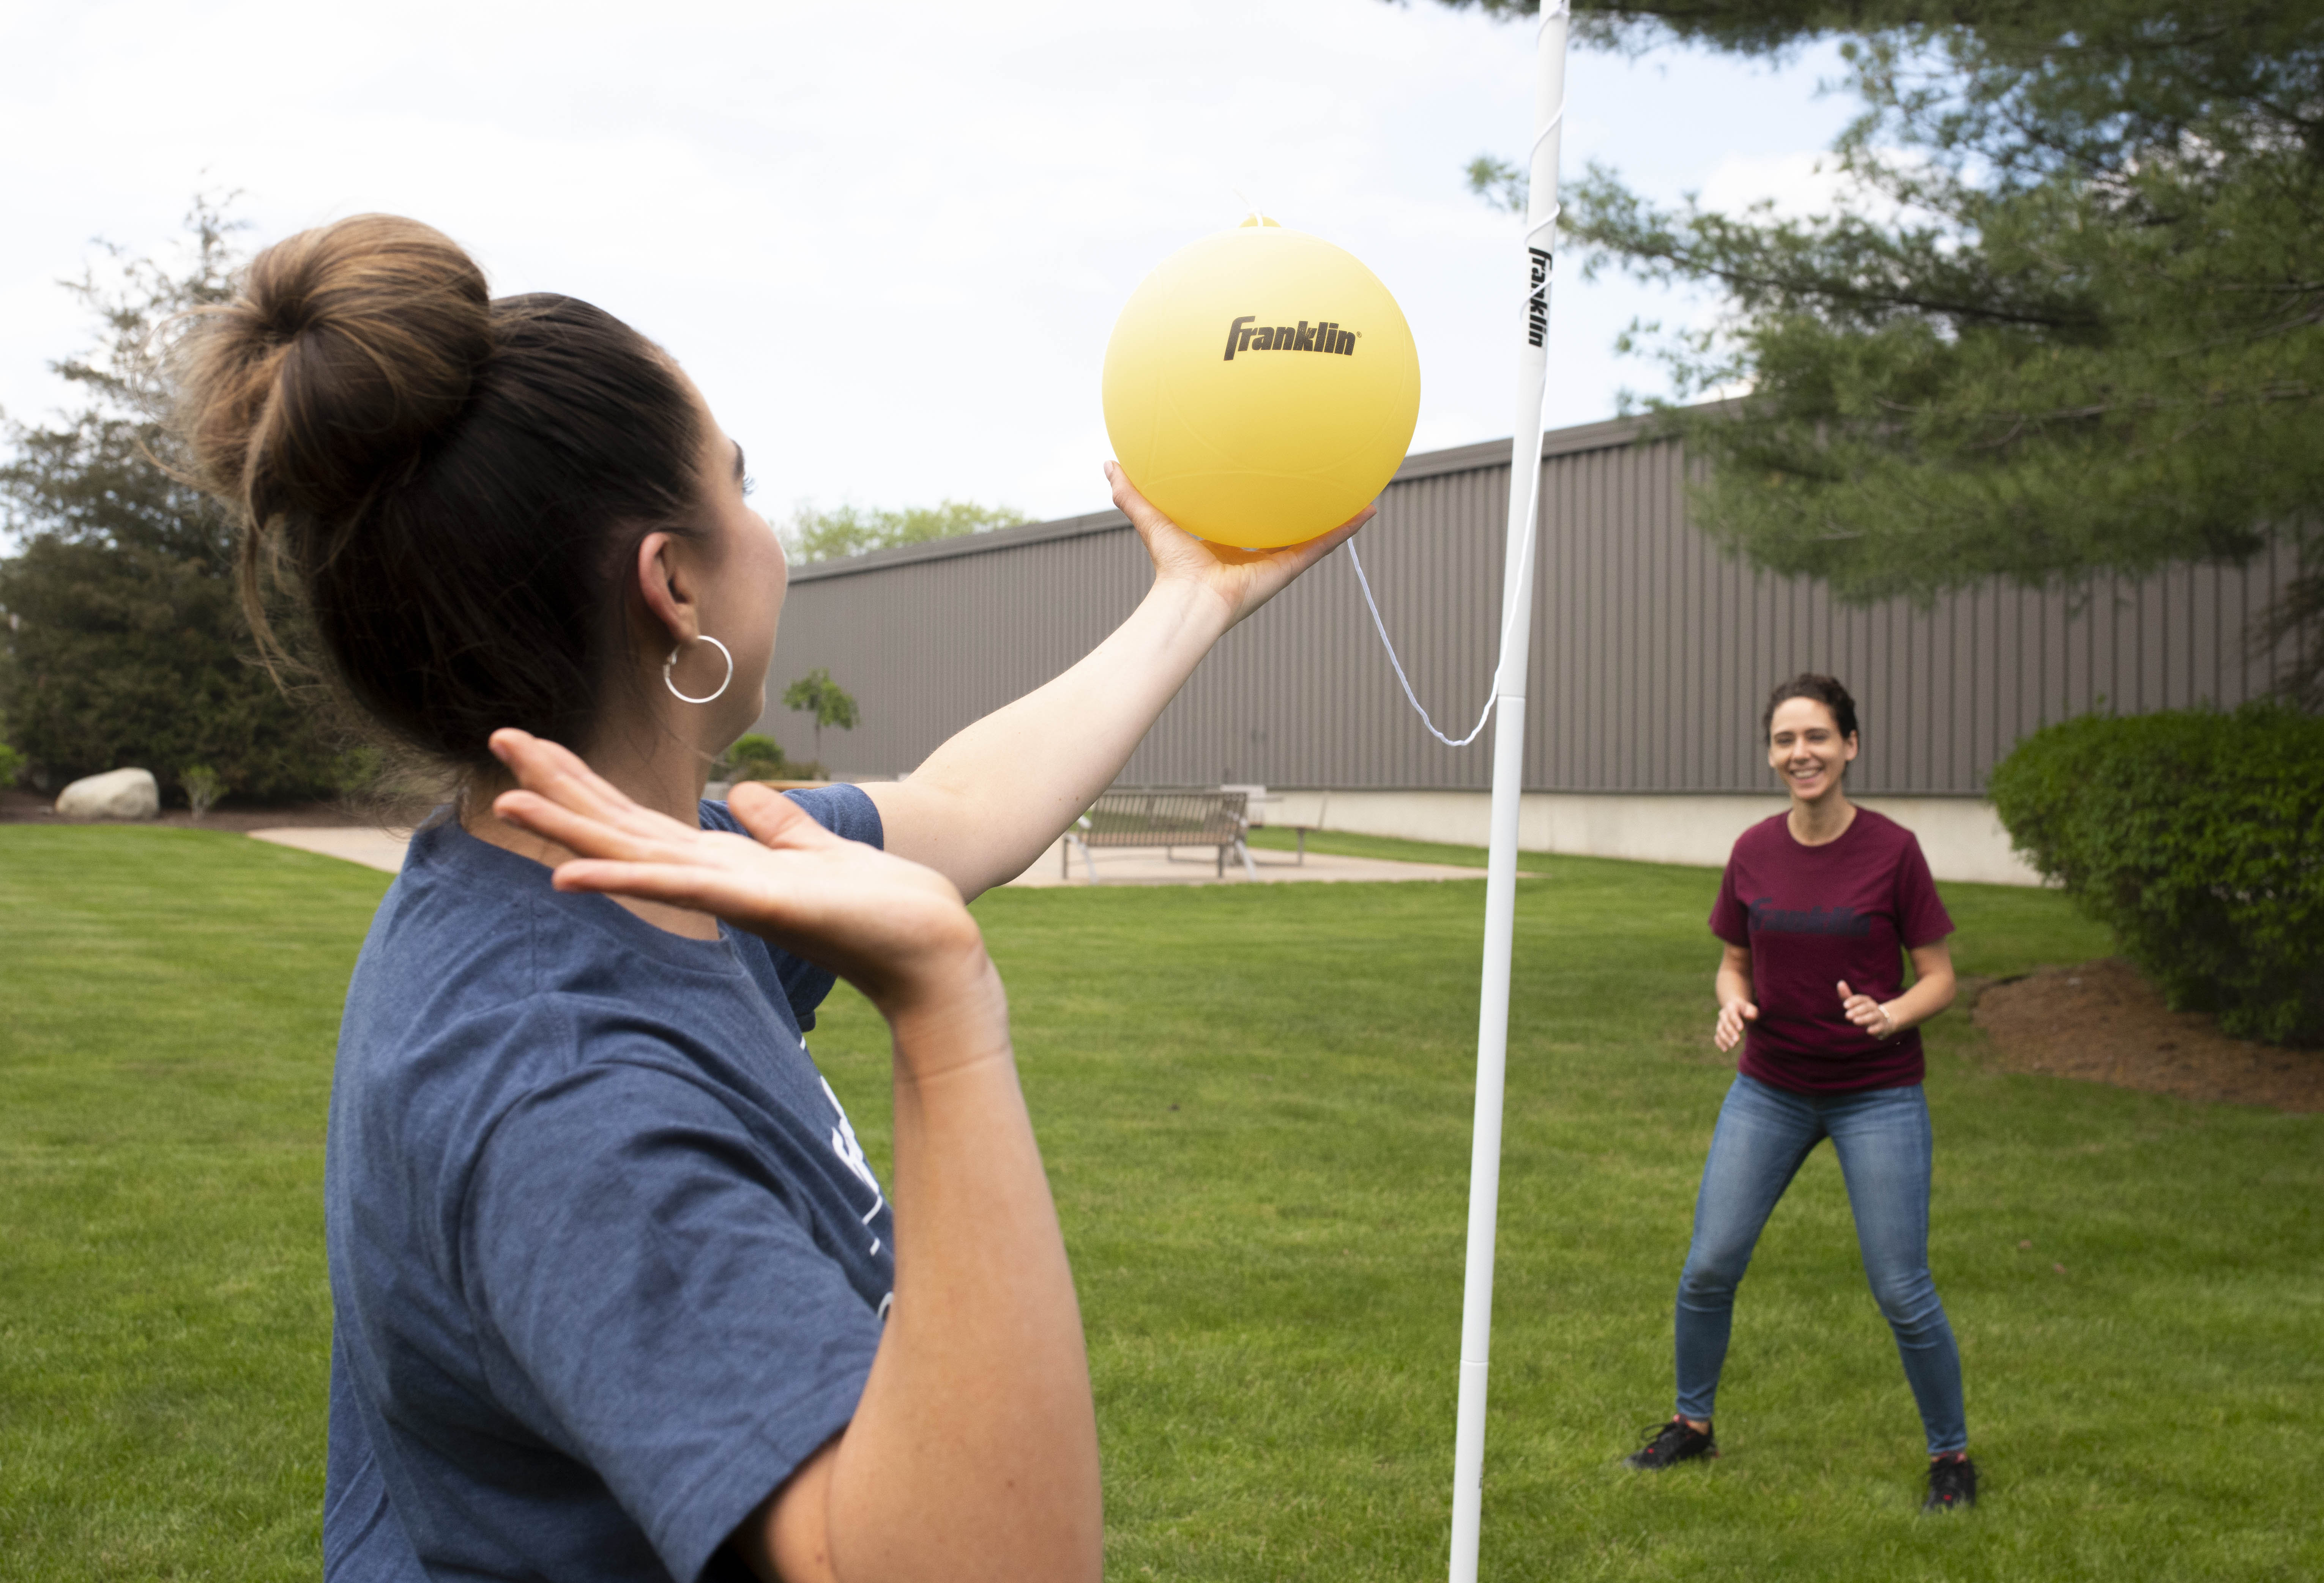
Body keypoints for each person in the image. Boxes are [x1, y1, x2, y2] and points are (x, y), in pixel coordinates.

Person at [173, 213, 1370, 1583]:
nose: (770, 531)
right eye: (739, 486)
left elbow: (967, 806)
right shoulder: (557, 1090)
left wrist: (1194, 596)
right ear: (674, 583)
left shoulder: (645, 867)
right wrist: (946, 1013)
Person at [1622, 674, 1977, 1514]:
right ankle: (1692, 1425)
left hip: (1876, 1094)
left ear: (1849, 745)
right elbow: (1733, 960)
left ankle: (1951, 1458)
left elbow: (1940, 978)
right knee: (1709, 1264)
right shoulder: (1752, 850)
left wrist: (1888, 1014)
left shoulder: (1892, 850)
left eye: (1816, 736)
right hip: (1771, 1088)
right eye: (1785, 740)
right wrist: (1730, 1002)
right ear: (1771, 753)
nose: (1800, 753)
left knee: (1900, 1285)